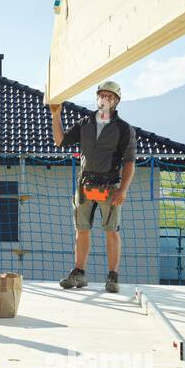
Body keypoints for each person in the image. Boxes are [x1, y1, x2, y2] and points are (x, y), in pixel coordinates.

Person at [48, 79, 136, 293]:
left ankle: (113, 277)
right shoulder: (84, 123)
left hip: (110, 186)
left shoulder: (124, 129)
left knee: (111, 231)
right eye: (102, 95)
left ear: (116, 101)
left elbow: (129, 162)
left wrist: (123, 189)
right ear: (97, 98)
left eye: (110, 96)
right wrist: (56, 114)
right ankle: (79, 273)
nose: (105, 99)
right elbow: (60, 141)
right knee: (81, 229)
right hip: (85, 184)